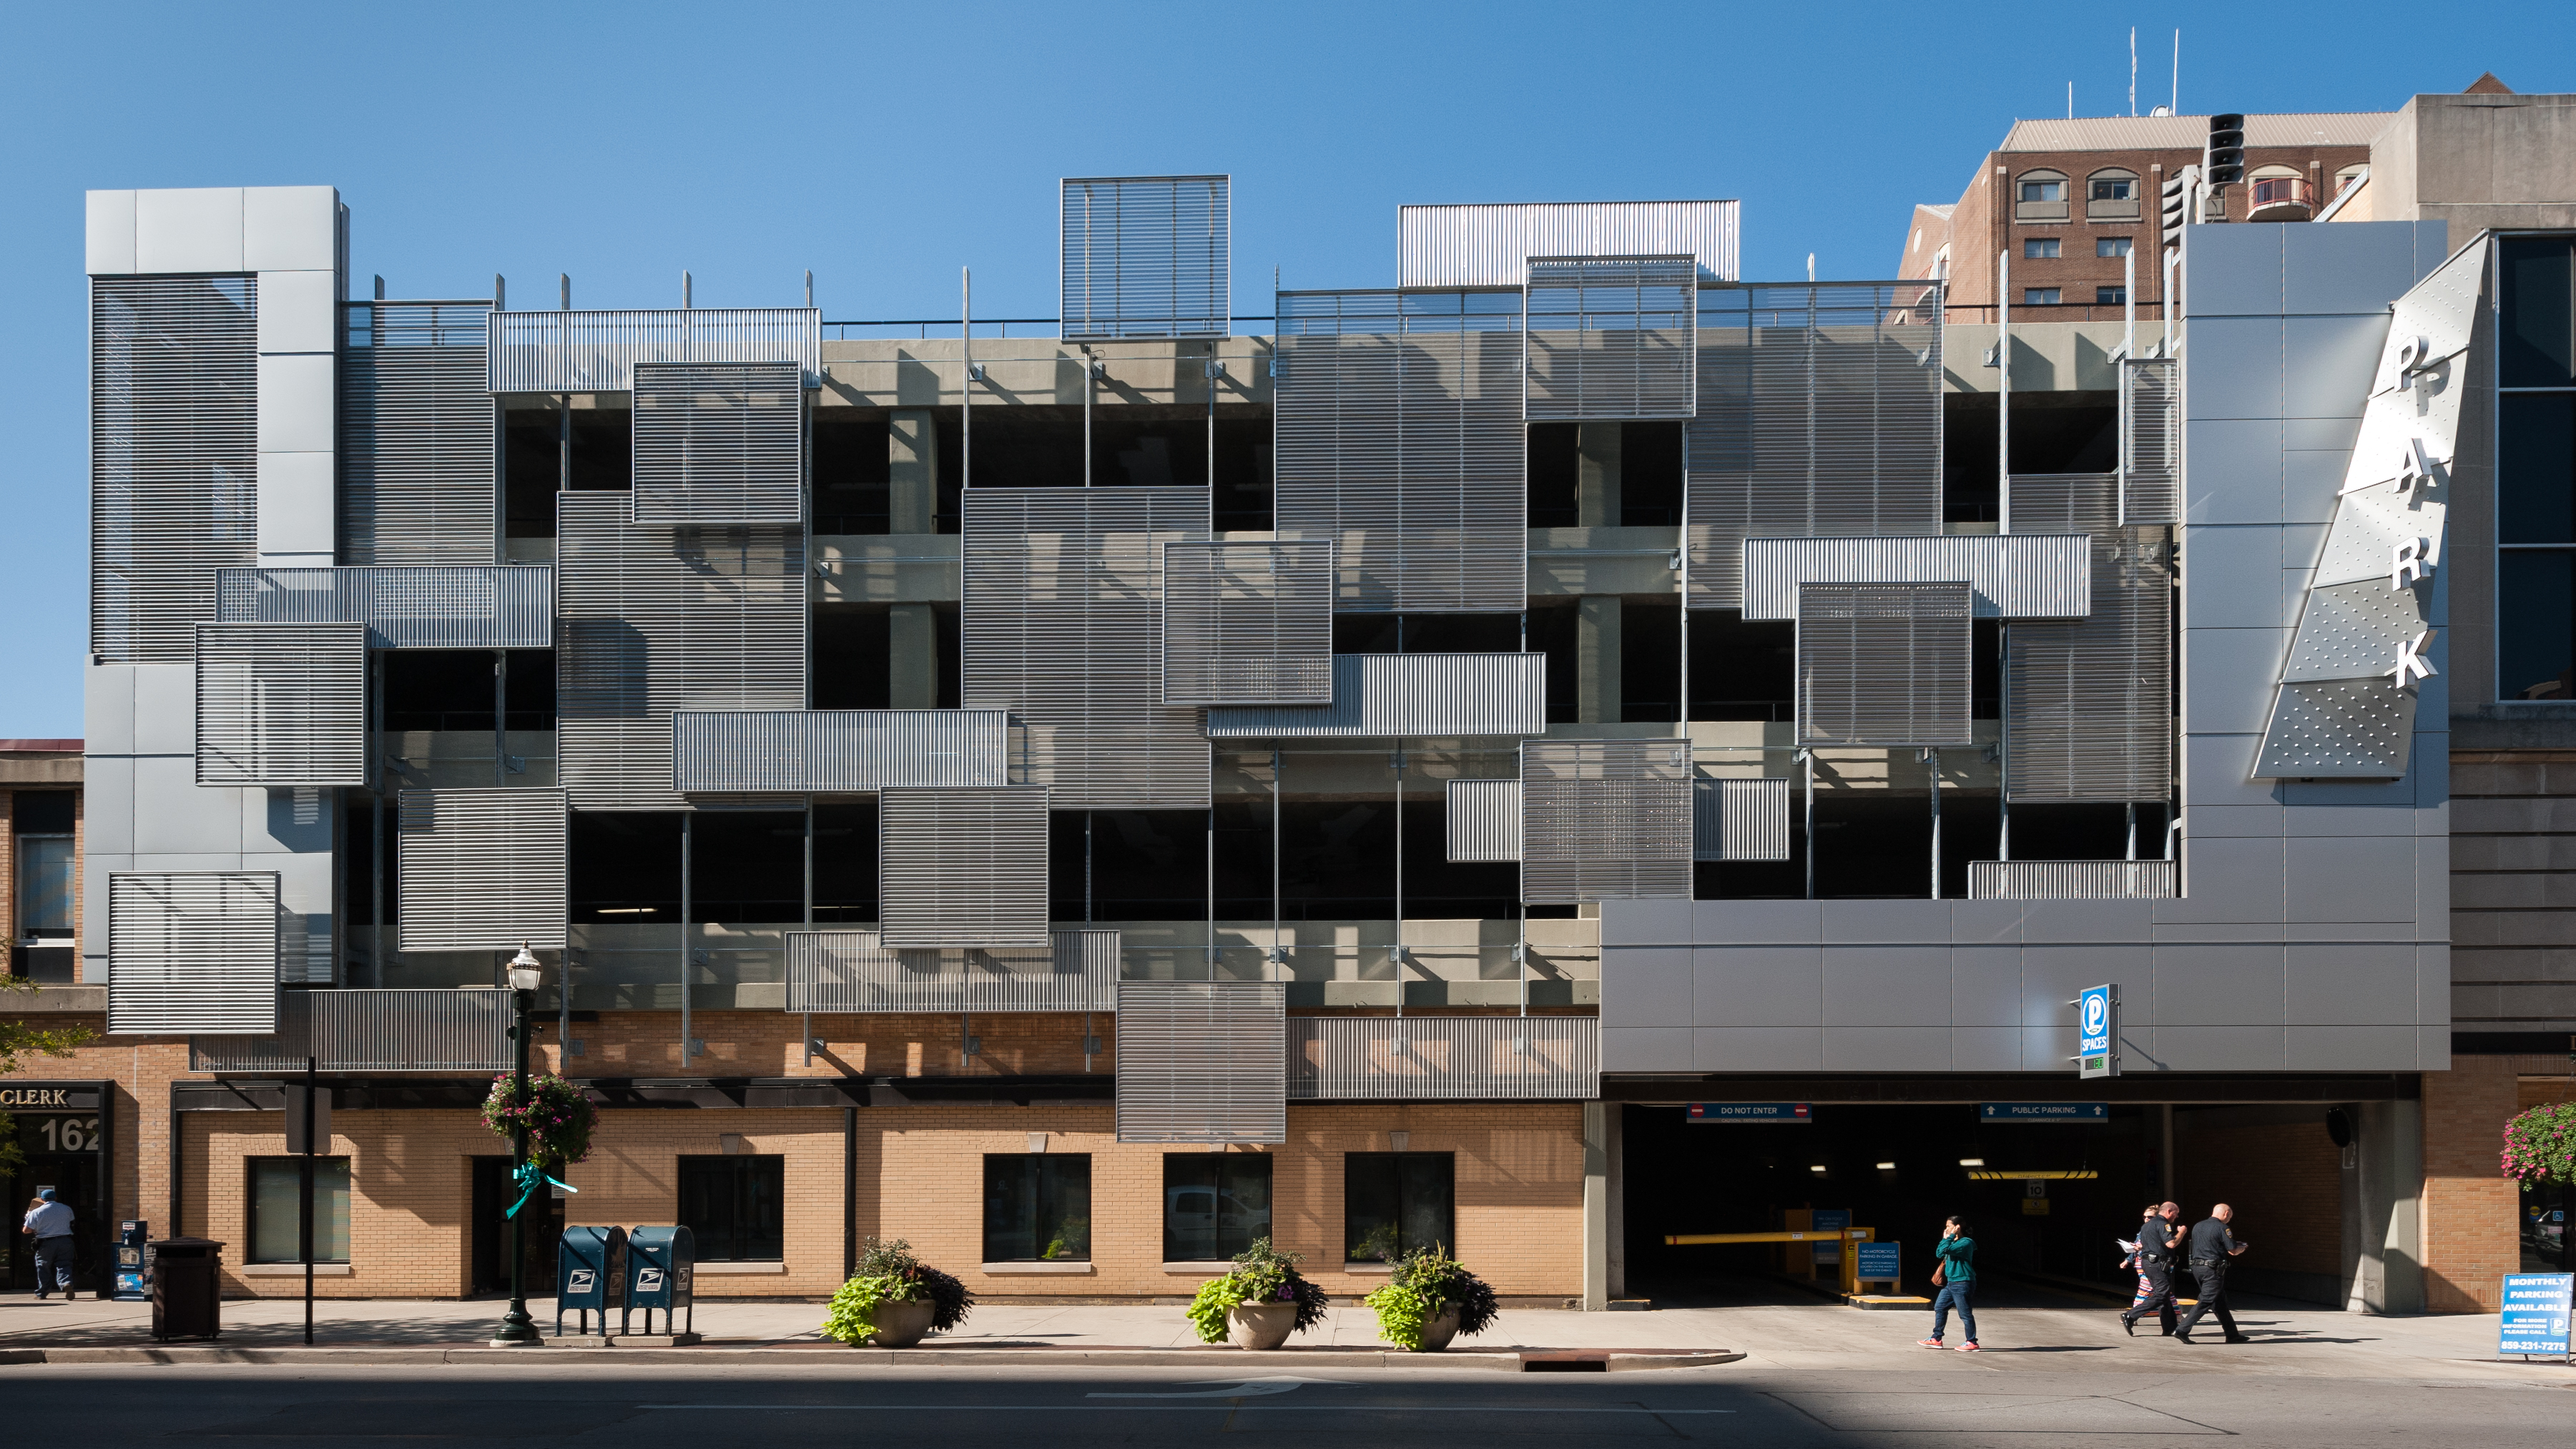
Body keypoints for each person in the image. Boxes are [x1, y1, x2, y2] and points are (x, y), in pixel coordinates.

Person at [2172, 1202, 2251, 1344]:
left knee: (2219, 1302)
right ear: (2226, 1214)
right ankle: (2182, 1330)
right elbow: (2233, 1250)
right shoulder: (2223, 1228)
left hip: (2198, 1268)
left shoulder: (2198, 1226)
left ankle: (2232, 1335)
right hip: (2212, 1269)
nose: (2229, 1219)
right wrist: (2242, 1248)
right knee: (2207, 1300)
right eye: (2230, 1217)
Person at [1916, 1214, 1980, 1351]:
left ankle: (1972, 1342)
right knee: (1940, 1307)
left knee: (1965, 1314)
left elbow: (1945, 1250)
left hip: (1963, 1282)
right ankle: (1936, 1339)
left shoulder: (1966, 1243)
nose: (1946, 1229)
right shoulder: (1952, 1242)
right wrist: (1946, 1239)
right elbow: (1939, 1253)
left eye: (1948, 1226)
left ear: (1957, 1227)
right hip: (1951, 1283)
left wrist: (1949, 1238)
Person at [2120, 1201, 2184, 1337]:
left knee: (2163, 1295)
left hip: (2148, 1263)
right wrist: (2181, 1233)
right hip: (2157, 1264)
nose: (2177, 1216)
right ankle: (2130, 1315)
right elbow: (2171, 1244)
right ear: (2169, 1211)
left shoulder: (2146, 1226)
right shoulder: (2163, 1224)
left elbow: (2151, 1245)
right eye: (2176, 1213)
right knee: (2162, 1294)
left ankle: (2169, 1328)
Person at [21, 1189, 76, 1300]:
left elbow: (26, 1230)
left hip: (46, 1242)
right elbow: (71, 1221)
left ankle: (43, 1292)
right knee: (64, 1264)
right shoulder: (66, 1208)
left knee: (43, 1266)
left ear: (42, 1199)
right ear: (56, 1198)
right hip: (65, 1240)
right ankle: (66, 1283)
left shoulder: (36, 1212)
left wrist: (29, 1218)